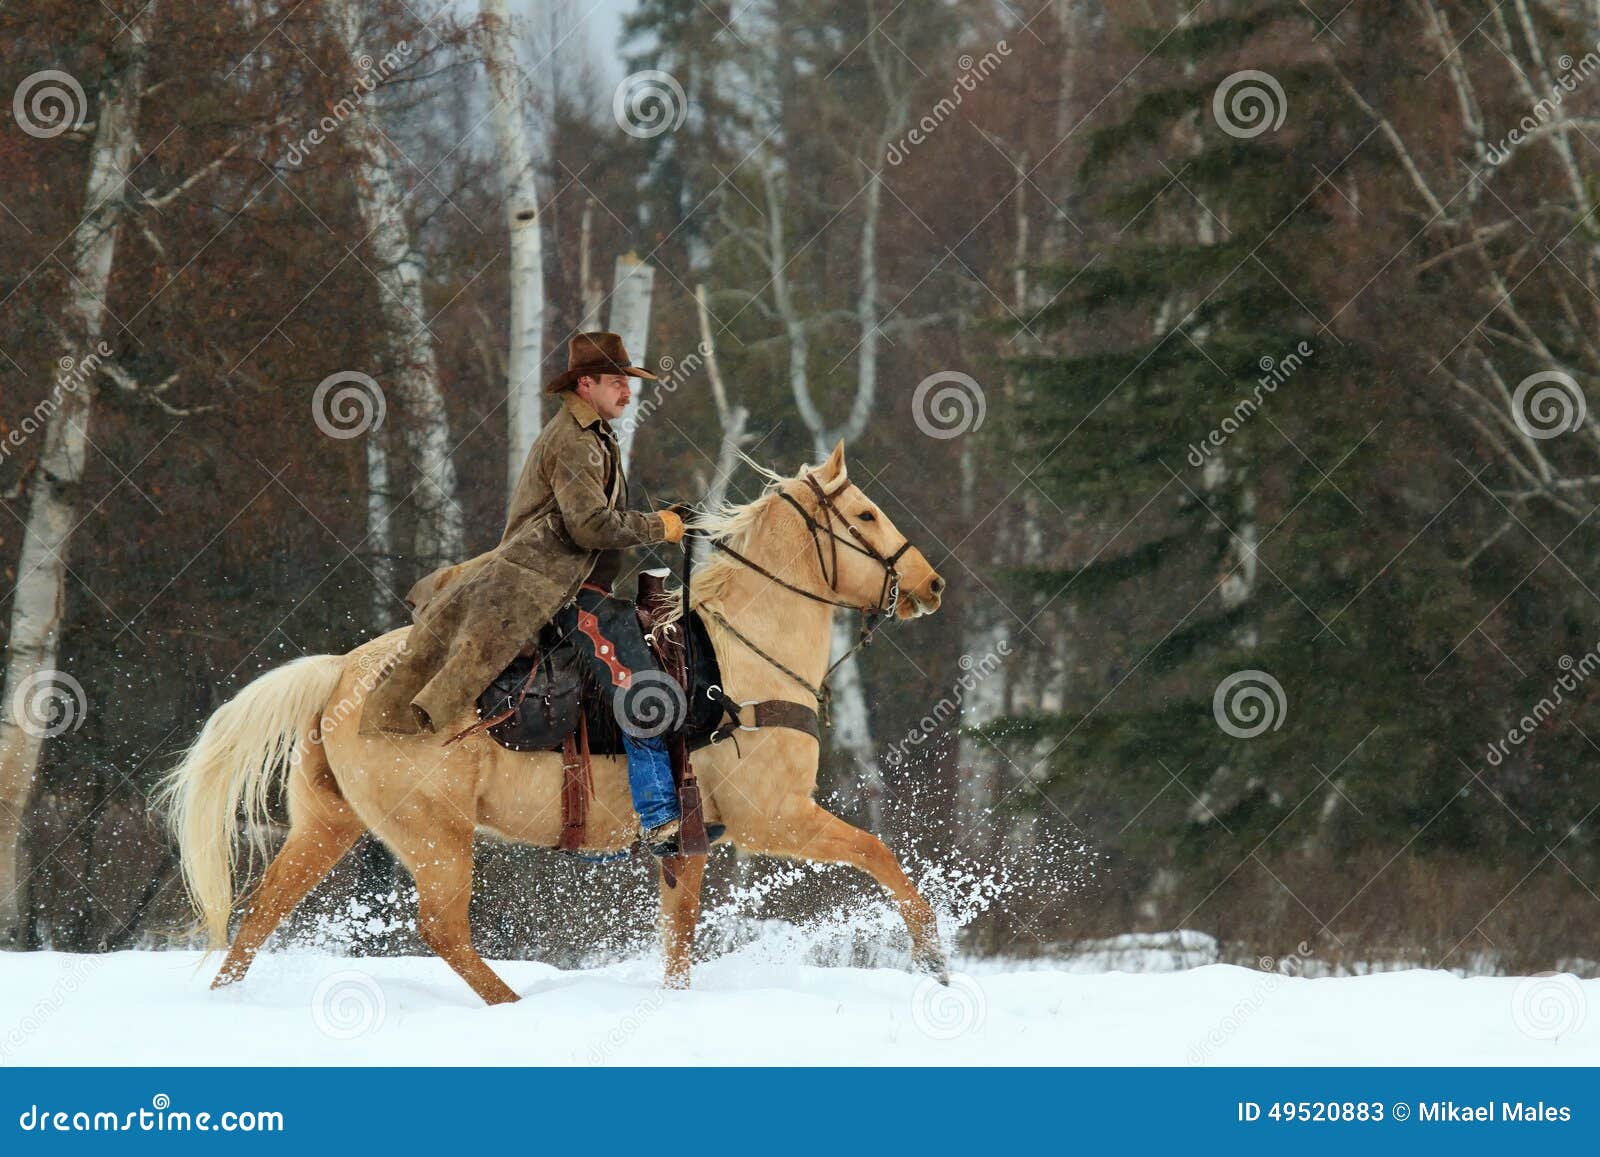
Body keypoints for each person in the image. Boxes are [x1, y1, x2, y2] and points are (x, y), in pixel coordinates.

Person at [359, 332, 687, 850]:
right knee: (633, 672)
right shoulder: (575, 440)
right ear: (586, 384)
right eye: (618, 382)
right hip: (548, 589)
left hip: (563, 583)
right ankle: (658, 813)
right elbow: (589, 527)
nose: (628, 392)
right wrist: (658, 527)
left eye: (629, 382)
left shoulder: (595, 434)